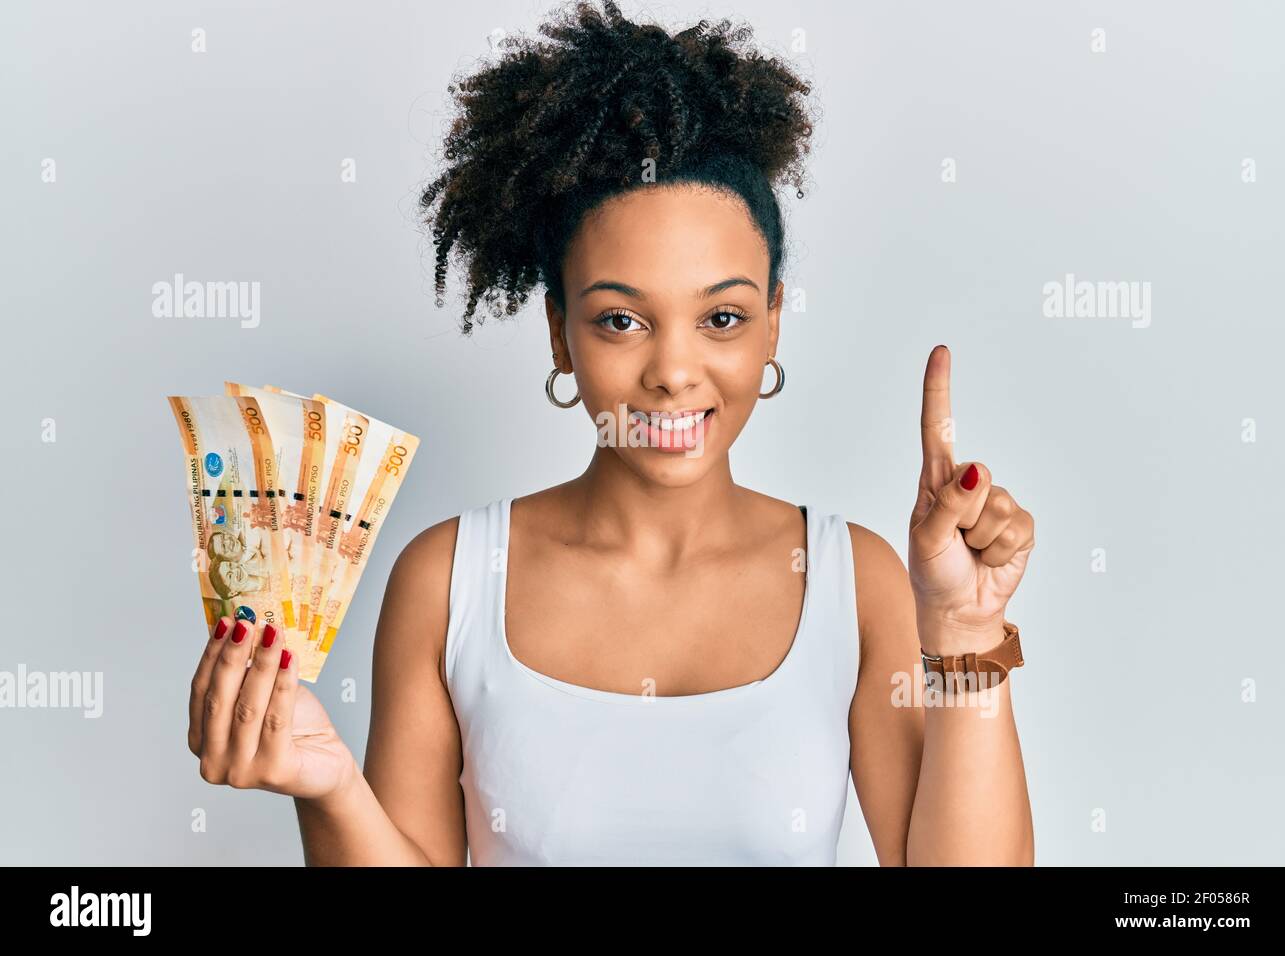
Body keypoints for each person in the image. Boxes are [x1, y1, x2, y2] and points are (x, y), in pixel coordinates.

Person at [187, 0, 1035, 866]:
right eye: (622, 321)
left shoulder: (857, 583)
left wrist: (965, 637)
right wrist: (330, 788)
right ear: (559, 331)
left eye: (723, 317)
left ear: (774, 324)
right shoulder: (449, 583)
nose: (672, 371)